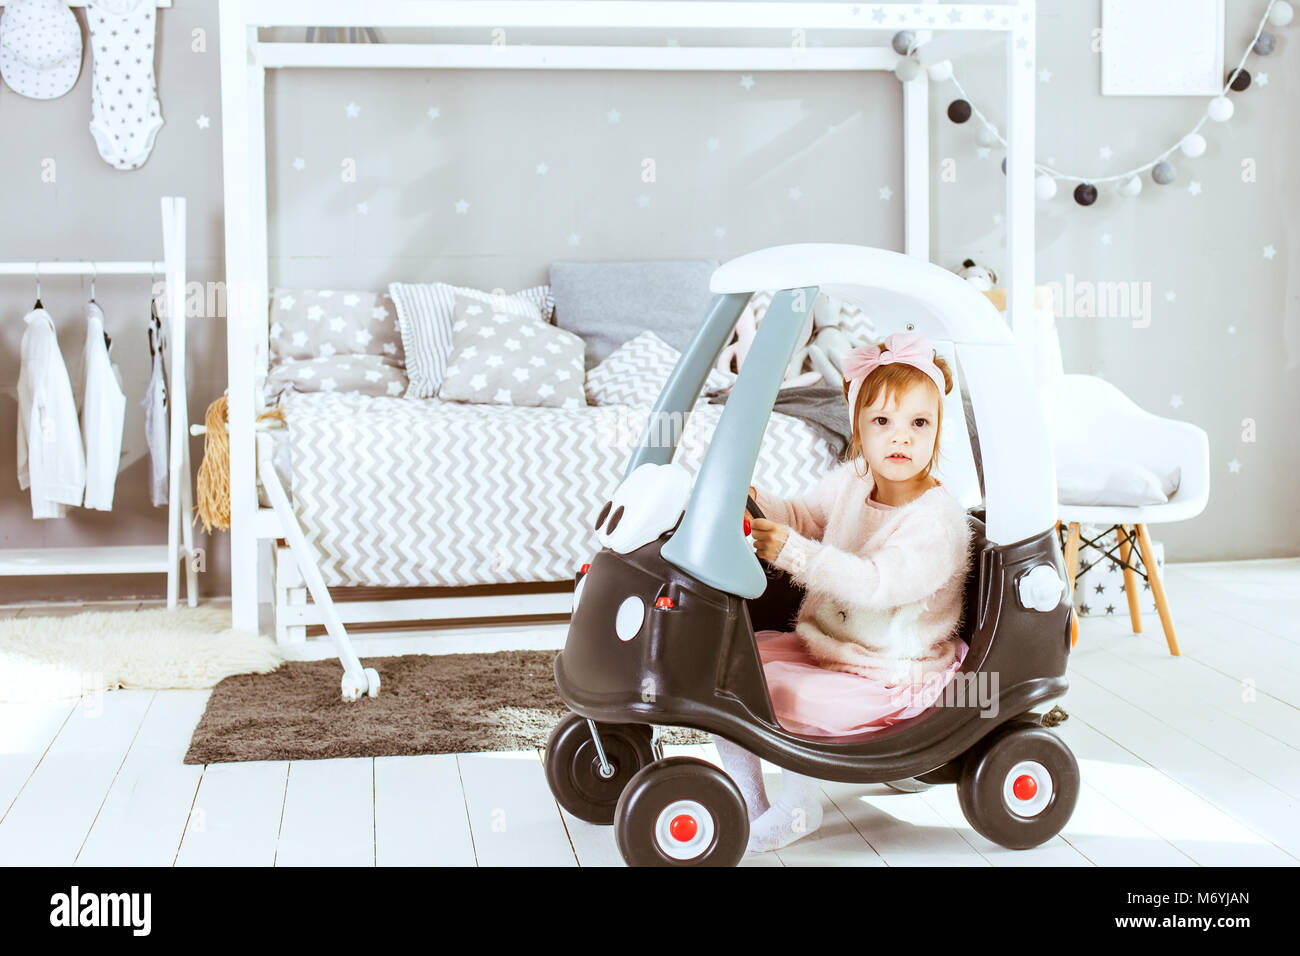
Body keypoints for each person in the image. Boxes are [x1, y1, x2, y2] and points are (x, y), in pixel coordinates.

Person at [715, 330, 973, 853]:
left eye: (918, 423)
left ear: (938, 431)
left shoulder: (936, 521)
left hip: (894, 670)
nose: (900, 438)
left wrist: (793, 553)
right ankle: (749, 798)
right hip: (832, 646)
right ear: (857, 428)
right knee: (721, 670)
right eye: (882, 422)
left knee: (791, 696)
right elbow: (806, 516)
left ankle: (798, 806)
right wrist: (759, 502)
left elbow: (876, 584)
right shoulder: (856, 479)